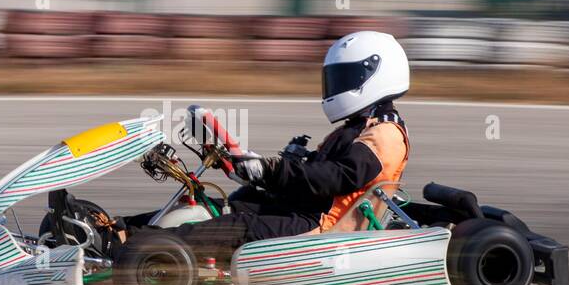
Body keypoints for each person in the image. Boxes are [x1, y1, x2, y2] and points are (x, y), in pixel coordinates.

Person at [118, 30, 412, 264]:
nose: (336, 86)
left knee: (238, 225)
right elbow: (317, 172)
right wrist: (263, 166)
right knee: (219, 208)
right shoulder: (357, 128)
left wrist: (272, 169)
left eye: (346, 78)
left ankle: (143, 254)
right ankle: (121, 232)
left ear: (374, 74)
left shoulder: (385, 134)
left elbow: (335, 178)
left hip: (324, 227)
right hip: (302, 209)